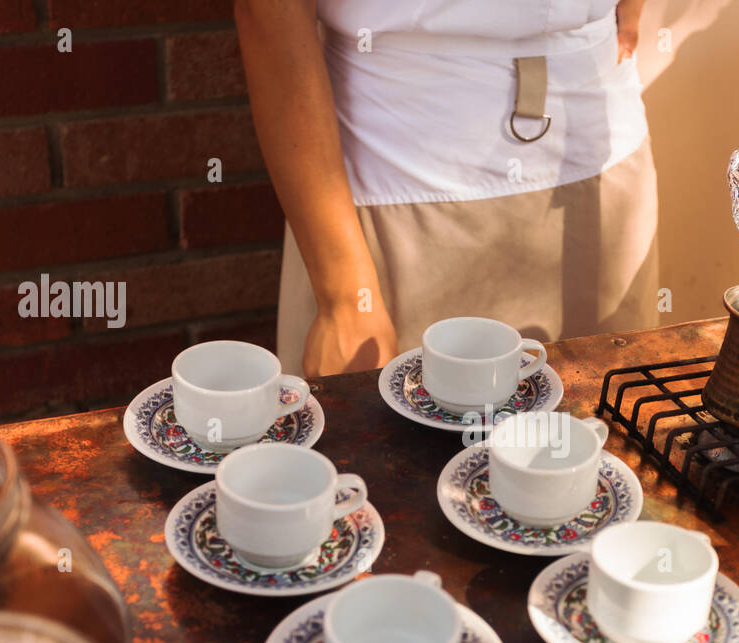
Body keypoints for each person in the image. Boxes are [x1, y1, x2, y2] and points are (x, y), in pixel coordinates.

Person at [236, 0, 659, 378]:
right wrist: (345, 298)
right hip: (393, 199)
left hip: (602, 176)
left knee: (606, 445)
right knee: (396, 455)